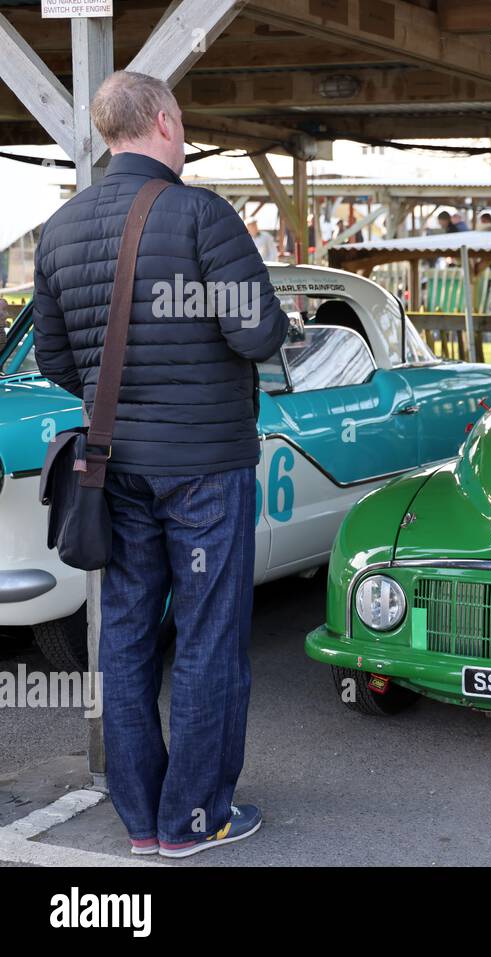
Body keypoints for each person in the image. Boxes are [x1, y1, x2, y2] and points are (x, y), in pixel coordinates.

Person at [31, 71, 288, 860]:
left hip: (114, 469)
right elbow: (258, 336)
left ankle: (142, 819)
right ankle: (194, 817)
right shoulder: (202, 215)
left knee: (127, 635)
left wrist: (128, 403)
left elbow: (53, 357)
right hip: (205, 467)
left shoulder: (60, 229)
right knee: (210, 638)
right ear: (167, 122)